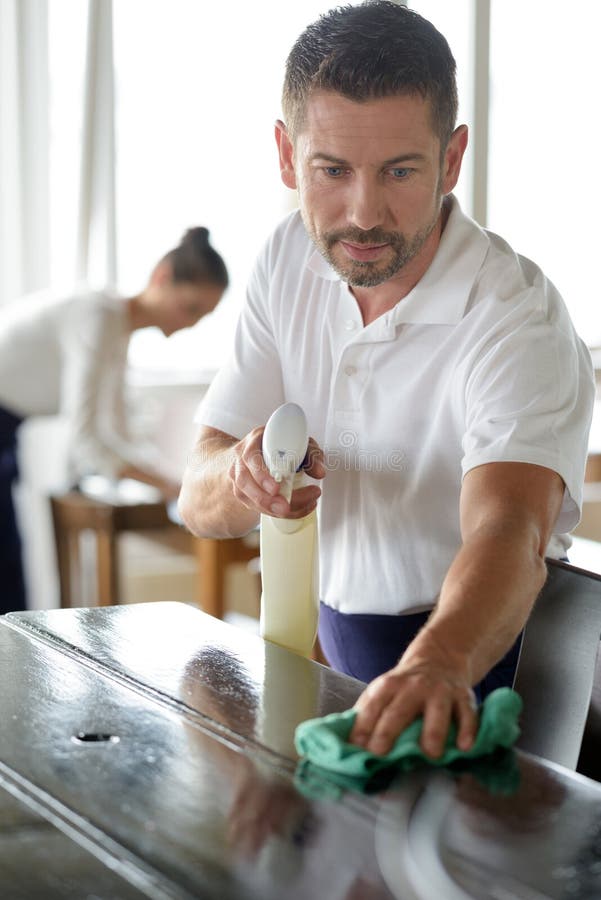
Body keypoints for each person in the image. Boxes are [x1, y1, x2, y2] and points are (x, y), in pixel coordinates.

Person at [178, 2, 594, 760]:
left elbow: (509, 530)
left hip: (484, 672)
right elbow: (197, 495)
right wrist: (239, 476)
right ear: (284, 153)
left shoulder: (515, 317)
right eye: (331, 170)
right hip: (339, 666)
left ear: (452, 157)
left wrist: (436, 665)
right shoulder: (284, 261)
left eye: (399, 170)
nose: (363, 213)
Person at [0, 226, 228, 613]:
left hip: (8, 427)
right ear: (161, 278)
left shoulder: (118, 332)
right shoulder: (97, 316)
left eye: (202, 316)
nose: (190, 324)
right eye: (189, 308)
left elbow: (116, 432)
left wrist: (172, 481)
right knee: (5, 567)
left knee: (8, 566)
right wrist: (169, 485)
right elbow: (86, 438)